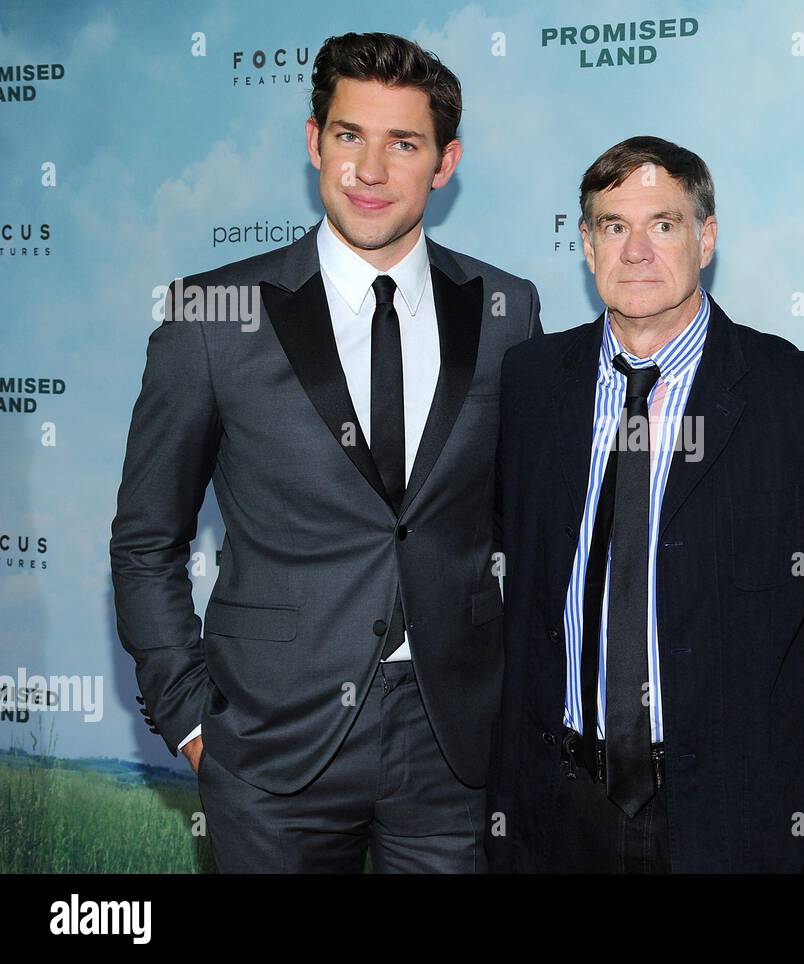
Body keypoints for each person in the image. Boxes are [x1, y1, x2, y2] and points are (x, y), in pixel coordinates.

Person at [110, 32, 540, 872]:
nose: (369, 170)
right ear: (314, 143)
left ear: (445, 163)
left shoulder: (505, 310)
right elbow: (145, 540)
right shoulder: (212, 317)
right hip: (271, 743)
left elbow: (524, 524)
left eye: (403, 143)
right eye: (349, 135)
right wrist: (193, 721)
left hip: (454, 744)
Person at [487, 136, 804, 873]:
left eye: (663, 224)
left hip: (734, 814)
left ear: (706, 238)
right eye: (613, 226)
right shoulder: (529, 383)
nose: (636, 251)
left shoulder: (796, 393)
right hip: (556, 809)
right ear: (587, 245)